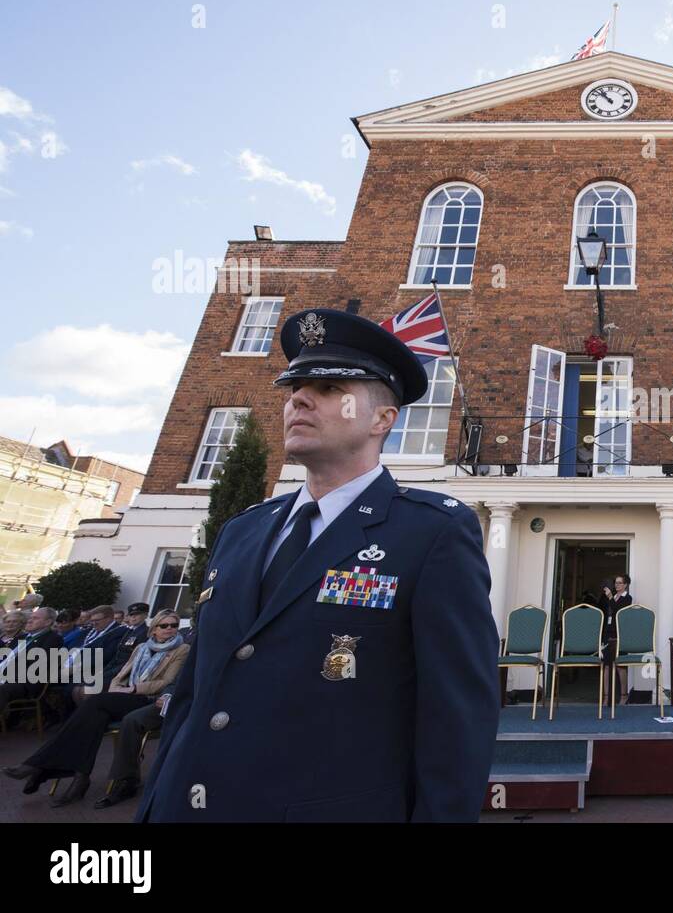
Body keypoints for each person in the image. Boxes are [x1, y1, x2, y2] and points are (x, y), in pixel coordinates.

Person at [136, 308, 499, 822]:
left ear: (381, 419)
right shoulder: (242, 531)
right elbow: (198, 690)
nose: (298, 399)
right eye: (294, 387)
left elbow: (456, 718)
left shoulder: (433, 533)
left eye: (329, 388)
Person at [3, 611, 190, 806]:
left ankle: (39, 766)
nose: (170, 629)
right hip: (124, 694)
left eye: (174, 625)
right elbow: (123, 671)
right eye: (164, 625)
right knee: (94, 716)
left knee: (93, 703)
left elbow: (166, 681)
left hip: (147, 698)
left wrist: (133, 688)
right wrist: (117, 685)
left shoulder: (181, 649)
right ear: (154, 629)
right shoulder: (141, 647)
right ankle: (80, 777)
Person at [0, 607, 64, 715]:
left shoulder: (53, 639)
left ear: (48, 622)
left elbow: (38, 665)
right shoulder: (22, 637)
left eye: (35, 618)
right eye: (30, 617)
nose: (29, 620)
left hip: (24, 681)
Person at [598, 574, 634, 704]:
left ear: (625, 585)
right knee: (606, 665)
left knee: (620, 665)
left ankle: (624, 696)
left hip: (619, 633)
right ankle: (606, 697)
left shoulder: (628, 598)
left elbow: (618, 610)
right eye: (616, 583)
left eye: (619, 583)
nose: (616, 585)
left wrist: (609, 597)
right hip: (608, 632)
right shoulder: (612, 597)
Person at [103, 605, 151, 682]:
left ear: (145, 615)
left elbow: (134, 660)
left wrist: (109, 673)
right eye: (131, 615)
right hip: (113, 668)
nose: (133, 617)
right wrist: (105, 670)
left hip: (124, 674)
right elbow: (118, 654)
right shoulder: (129, 630)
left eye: (137, 614)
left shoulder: (145, 633)